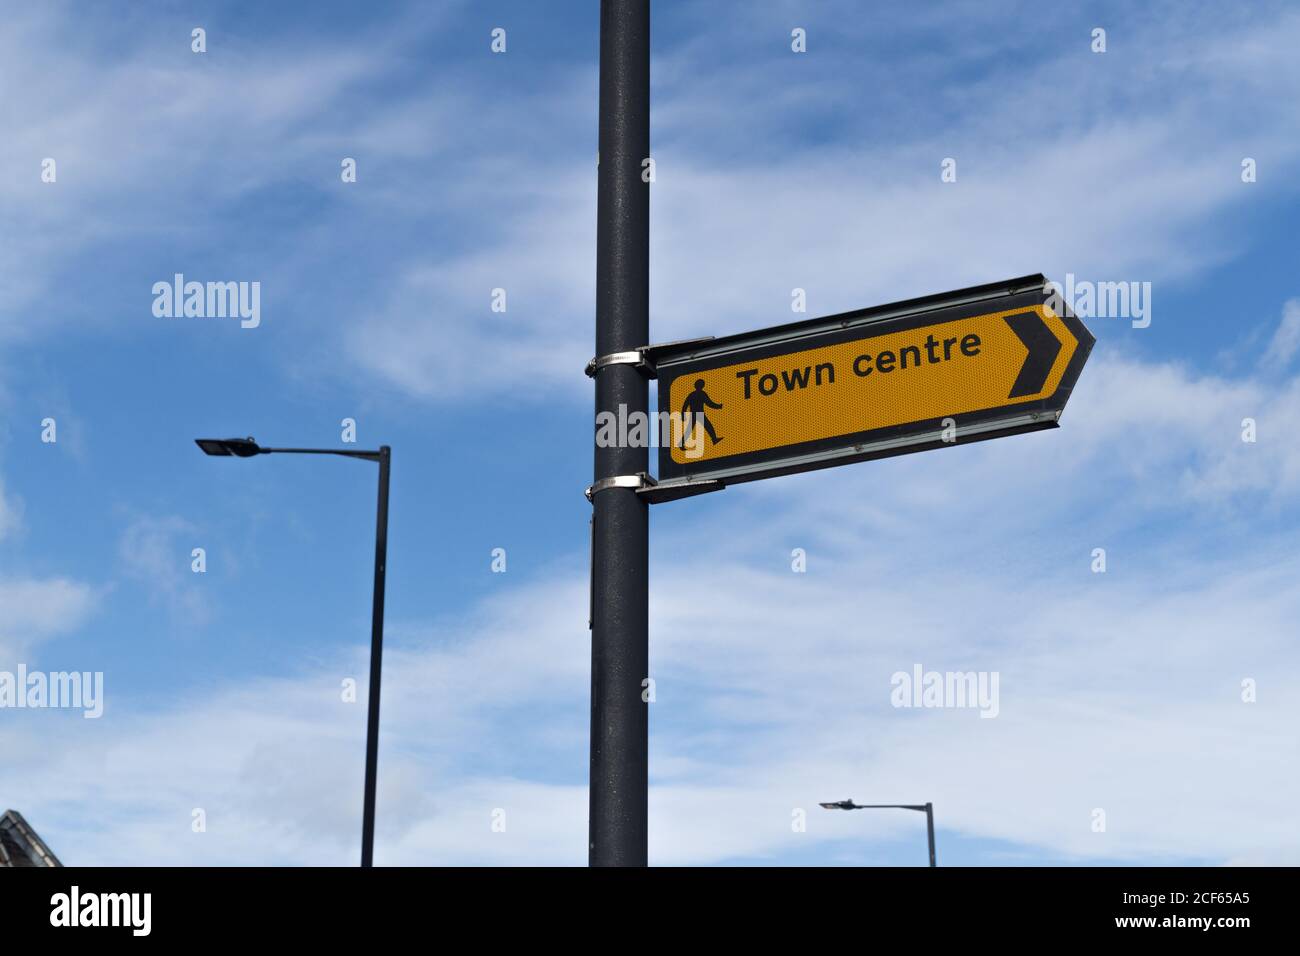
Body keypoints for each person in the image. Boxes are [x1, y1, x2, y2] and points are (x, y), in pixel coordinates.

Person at [680, 379, 723, 448]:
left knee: (694, 428)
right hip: (699, 414)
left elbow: (685, 405)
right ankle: (714, 439)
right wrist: (718, 406)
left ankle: (714, 439)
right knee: (708, 426)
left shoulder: (692, 394)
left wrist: (683, 414)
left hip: (694, 414)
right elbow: (709, 403)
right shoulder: (701, 394)